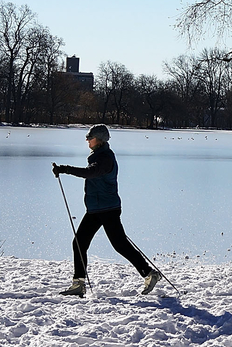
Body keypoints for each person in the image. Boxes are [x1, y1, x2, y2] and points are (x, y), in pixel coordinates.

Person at [52, 124, 162, 296]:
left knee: (120, 245)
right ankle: (78, 284)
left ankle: (149, 273)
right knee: (79, 243)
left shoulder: (105, 159)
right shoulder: (98, 156)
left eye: (90, 137)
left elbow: (91, 173)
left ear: (100, 140)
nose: (87, 140)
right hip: (96, 209)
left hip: (108, 209)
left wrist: (66, 169)